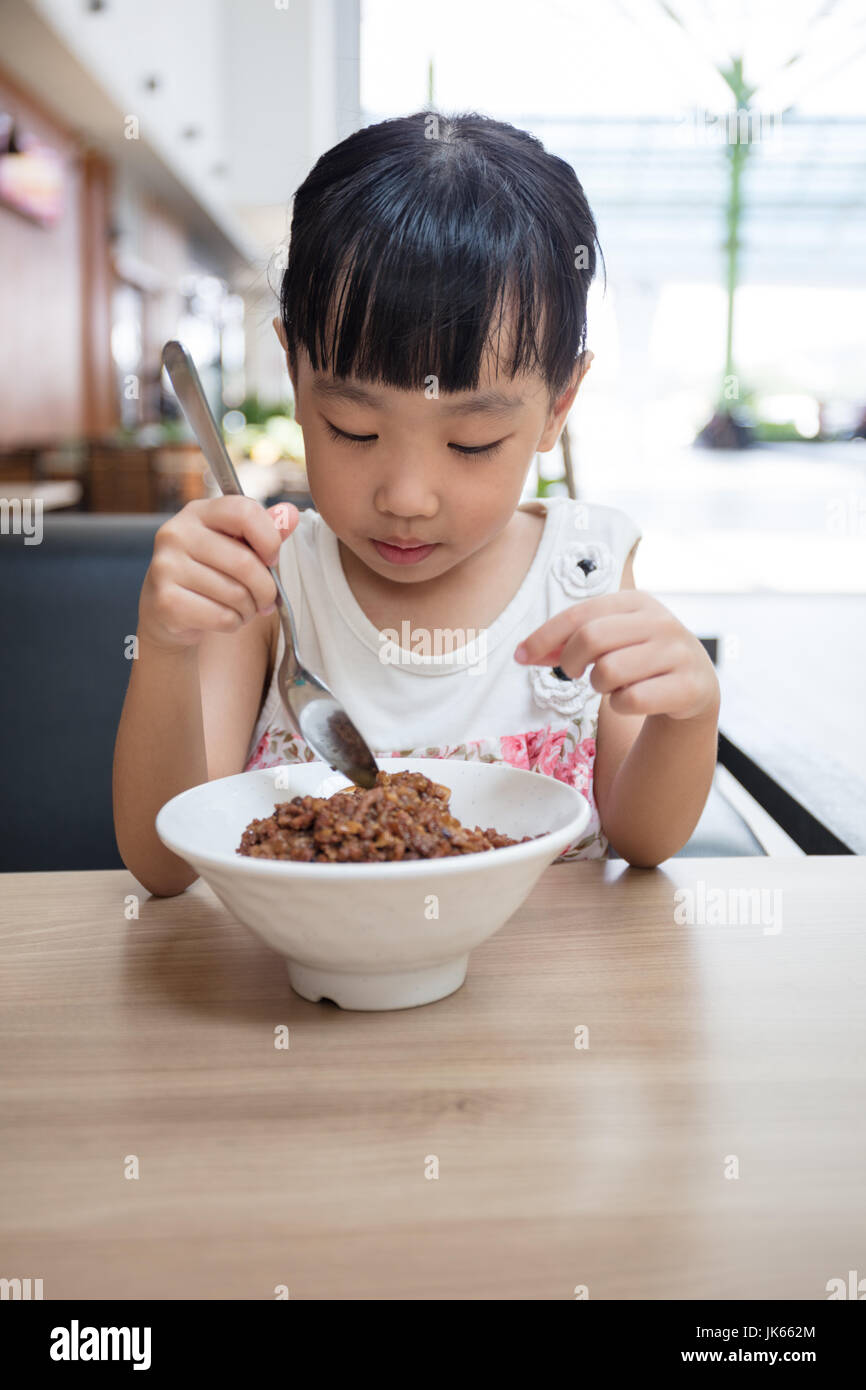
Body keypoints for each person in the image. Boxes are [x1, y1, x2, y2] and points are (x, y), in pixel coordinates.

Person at [113, 110, 720, 896]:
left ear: (559, 404)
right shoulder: (270, 585)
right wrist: (164, 644)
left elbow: (642, 841)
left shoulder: (582, 572)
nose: (405, 498)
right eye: (353, 429)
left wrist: (689, 714)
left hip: (534, 996)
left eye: (471, 444)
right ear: (296, 376)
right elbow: (163, 867)